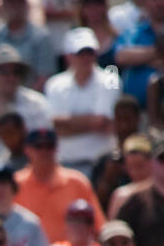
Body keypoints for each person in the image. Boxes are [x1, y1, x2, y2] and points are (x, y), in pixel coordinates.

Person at [45, 27, 121, 177]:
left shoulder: (110, 79)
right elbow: (54, 126)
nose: (86, 58)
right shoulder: (54, 84)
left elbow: (101, 122)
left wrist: (66, 124)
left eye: (90, 52)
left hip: (102, 166)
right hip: (66, 166)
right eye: (80, 53)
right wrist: (91, 123)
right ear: (69, 56)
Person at [13, 127, 106, 243]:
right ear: (27, 150)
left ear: (56, 149)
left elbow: (99, 227)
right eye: (38, 146)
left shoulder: (77, 182)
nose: (44, 151)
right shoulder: (15, 184)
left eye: (49, 146)